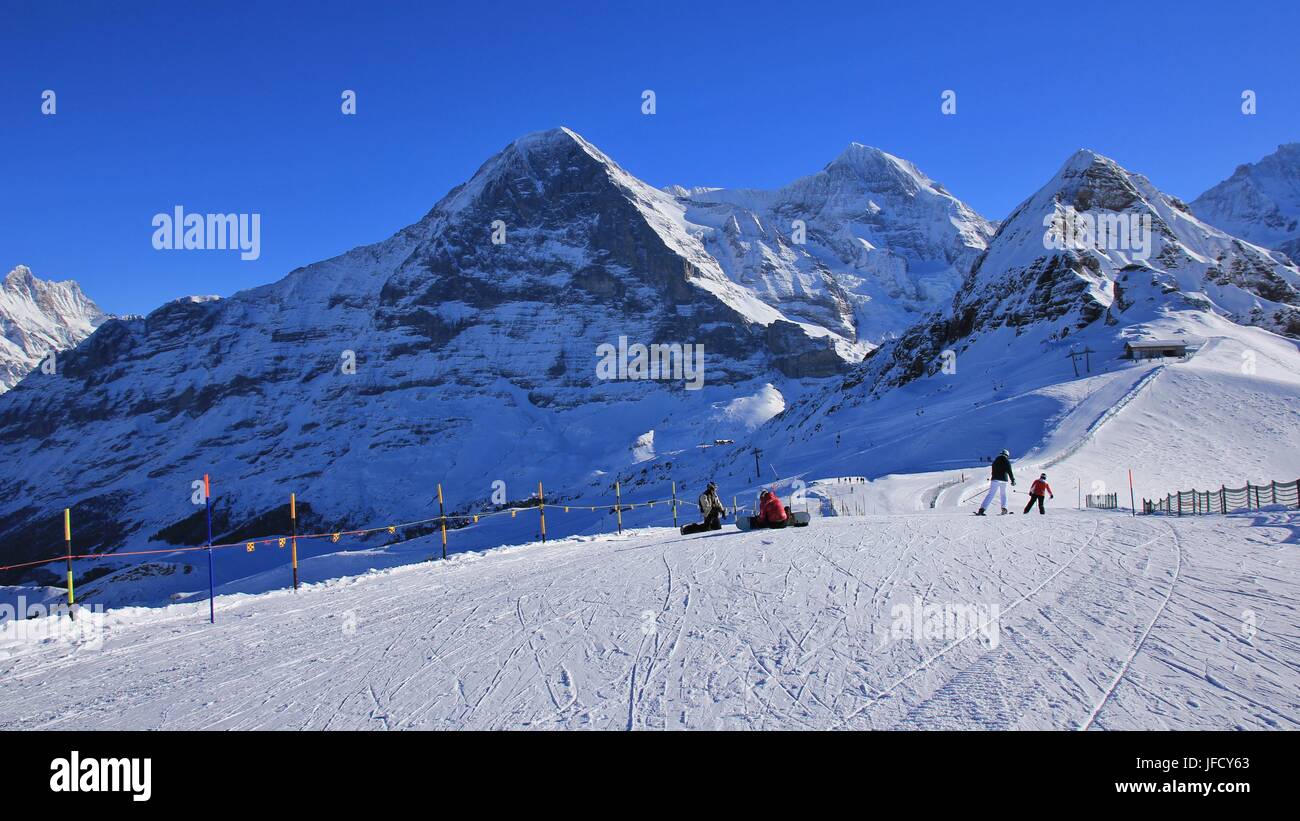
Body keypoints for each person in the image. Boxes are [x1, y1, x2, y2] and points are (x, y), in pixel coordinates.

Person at [975, 448, 1015, 516]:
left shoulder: (995, 461)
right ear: (1007, 455)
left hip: (995, 480)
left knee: (990, 494)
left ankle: (982, 510)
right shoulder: (1006, 461)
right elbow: (1009, 471)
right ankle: (1004, 509)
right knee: (1003, 494)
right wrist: (1013, 480)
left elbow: (993, 471)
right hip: (1004, 480)